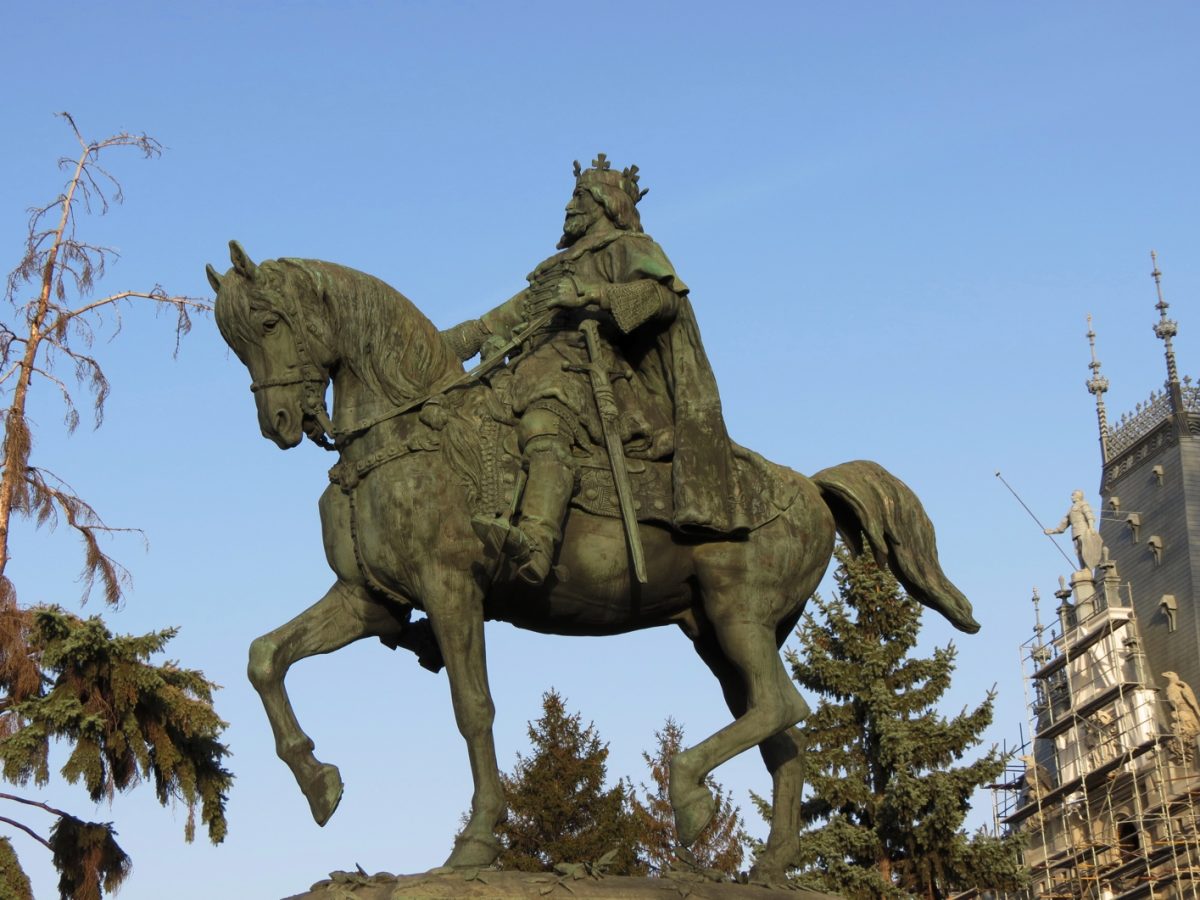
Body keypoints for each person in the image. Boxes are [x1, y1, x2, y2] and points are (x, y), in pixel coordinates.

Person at [441, 154, 749, 585]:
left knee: (545, 418)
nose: (569, 207)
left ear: (608, 204)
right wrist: (430, 348)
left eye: (580, 197)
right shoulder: (552, 270)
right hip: (533, 367)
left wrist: (594, 295)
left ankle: (537, 542)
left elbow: (665, 300)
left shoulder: (632, 248)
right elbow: (495, 322)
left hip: (590, 371)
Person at [1045, 489, 1102, 571]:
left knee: (1084, 547)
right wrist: (1053, 531)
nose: (1072, 497)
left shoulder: (1083, 504)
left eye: (1073, 495)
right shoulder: (1070, 509)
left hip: (1083, 529)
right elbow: (1064, 522)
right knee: (1077, 550)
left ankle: (1087, 567)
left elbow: (1089, 515)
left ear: (1078, 496)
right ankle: (1082, 568)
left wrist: (1091, 527)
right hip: (1075, 531)